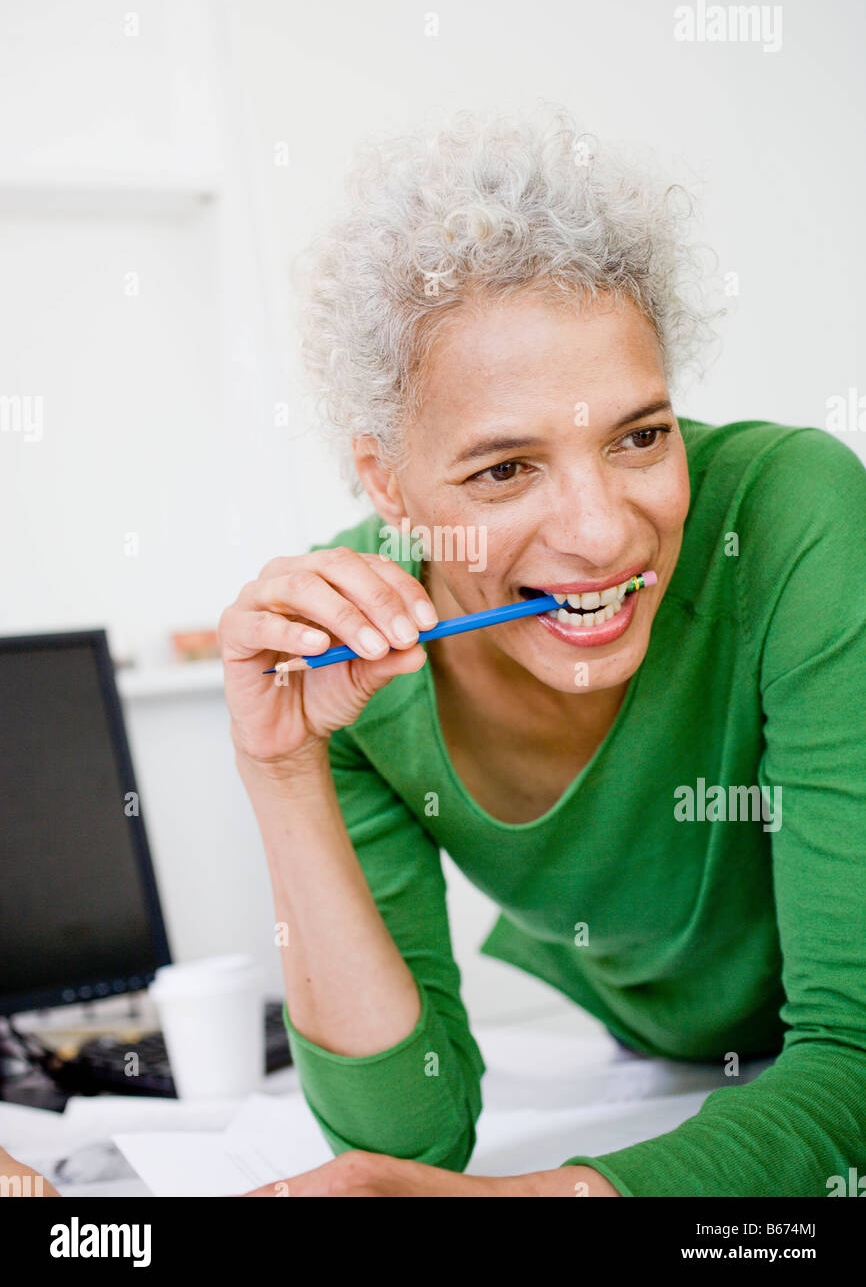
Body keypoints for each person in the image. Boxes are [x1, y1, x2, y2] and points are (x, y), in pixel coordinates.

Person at [215, 104, 866, 1197]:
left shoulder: (791, 513)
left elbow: (850, 1057)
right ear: (385, 485)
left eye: (638, 435)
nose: (604, 532)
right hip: (663, 1067)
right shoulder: (344, 657)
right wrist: (282, 769)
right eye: (503, 469)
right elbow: (405, 1145)